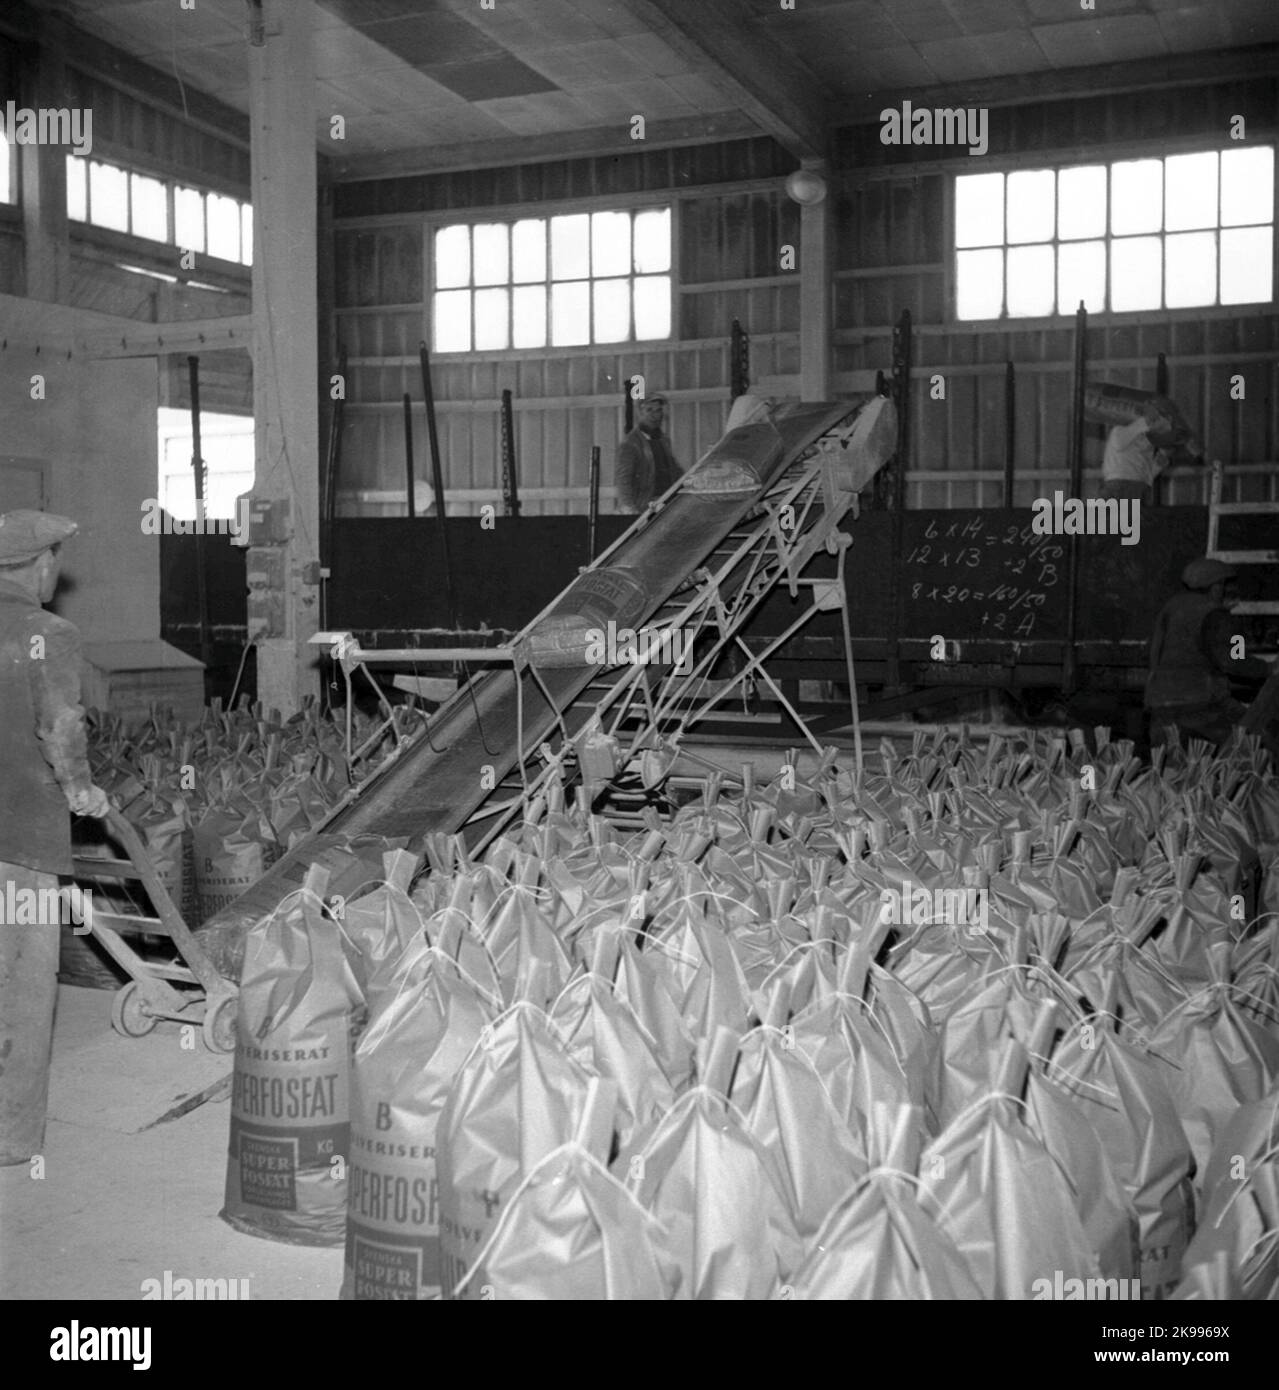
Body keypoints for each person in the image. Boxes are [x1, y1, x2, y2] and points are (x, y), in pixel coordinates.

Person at [0, 510, 110, 1164]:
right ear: (39, 564)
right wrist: (79, 789)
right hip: (21, 844)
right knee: (21, 987)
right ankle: (10, 1138)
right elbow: (61, 726)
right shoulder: (48, 633)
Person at [1145, 556, 1274, 750]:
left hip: (1160, 705)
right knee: (1258, 739)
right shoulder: (1215, 614)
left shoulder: (1170, 608)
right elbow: (1233, 660)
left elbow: (1156, 653)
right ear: (1216, 587)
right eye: (1223, 586)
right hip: (1203, 705)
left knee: (1171, 766)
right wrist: (1268, 668)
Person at [1101, 402, 1203, 502]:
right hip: (1127, 484)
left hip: (1126, 483)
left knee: (1102, 516)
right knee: (1111, 516)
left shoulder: (1147, 443)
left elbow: (1147, 470)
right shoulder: (1122, 432)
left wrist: (1162, 458)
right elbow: (1119, 443)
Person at [616, 391, 682, 513]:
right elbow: (623, 479)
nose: (654, 415)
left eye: (658, 411)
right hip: (642, 509)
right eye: (649, 410)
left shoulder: (664, 441)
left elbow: (675, 471)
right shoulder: (631, 444)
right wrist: (629, 509)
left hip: (664, 505)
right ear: (640, 413)